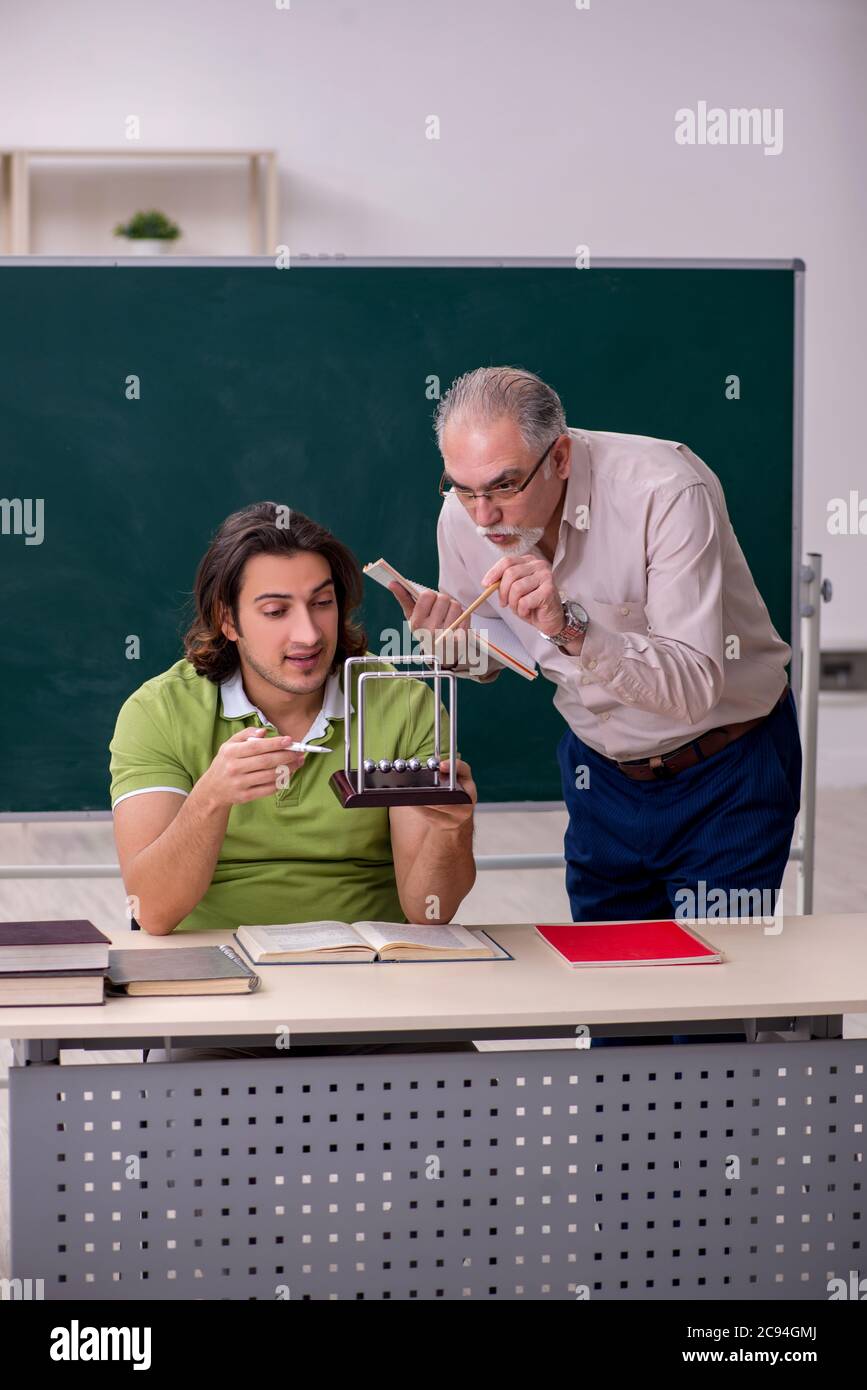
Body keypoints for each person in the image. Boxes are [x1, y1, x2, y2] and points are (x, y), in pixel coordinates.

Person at [389, 367, 801, 1046]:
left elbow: (695, 684)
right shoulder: (463, 515)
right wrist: (452, 647)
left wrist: (569, 627)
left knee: (712, 1016)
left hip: (726, 763)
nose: (482, 515)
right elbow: (493, 654)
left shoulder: (664, 489)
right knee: (613, 1012)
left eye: (502, 487)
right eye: (461, 490)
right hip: (600, 773)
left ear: (560, 456)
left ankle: (716, 1157)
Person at [109, 501, 477, 1058]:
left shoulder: (401, 703)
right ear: (228, 620)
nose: (308, 634)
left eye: (322, 604)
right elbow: (153, 912)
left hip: (376, 994)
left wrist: (451, 831)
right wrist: (210, 799)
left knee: (467, 1107)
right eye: (276, 610)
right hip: (218, 996)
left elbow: (429, 909)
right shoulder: (158, 711)